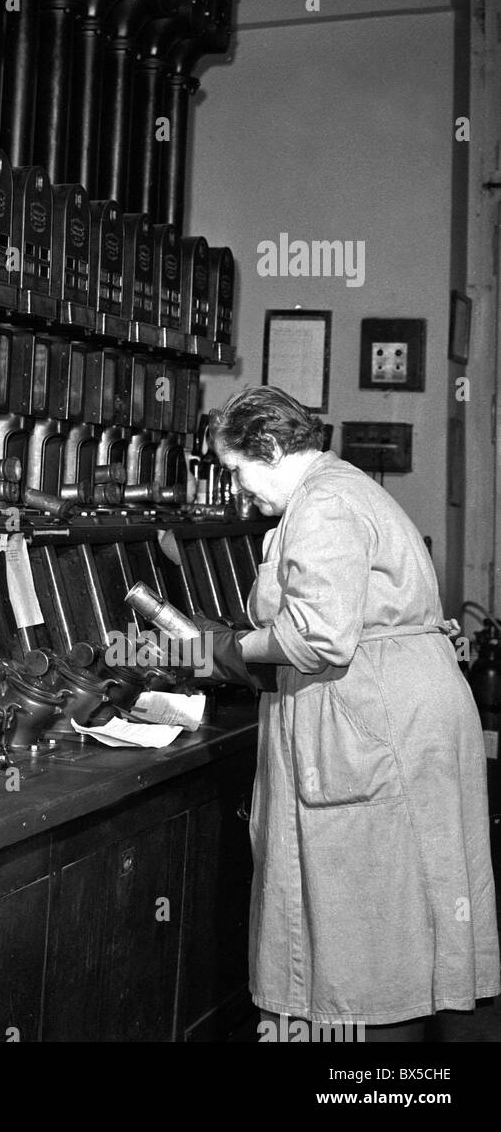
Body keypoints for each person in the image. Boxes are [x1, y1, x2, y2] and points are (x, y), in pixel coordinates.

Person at [189, 385, 499, 1041]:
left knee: (370, 946)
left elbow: (319, 637)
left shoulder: (322, 504)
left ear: (269, 448)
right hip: (397, 711)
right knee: (405, 923)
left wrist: (223, 648)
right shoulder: (339, 488)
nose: (238, 492)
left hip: (372, 724)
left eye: (237, 471)